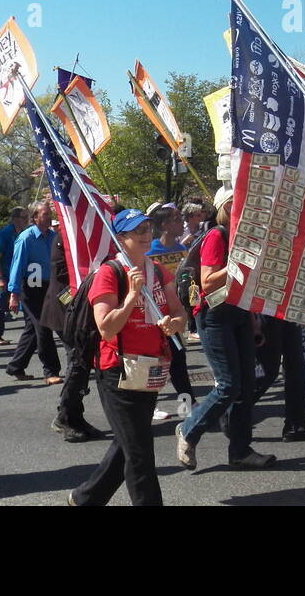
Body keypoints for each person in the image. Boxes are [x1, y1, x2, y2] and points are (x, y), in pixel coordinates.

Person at [69, 208, 187, 506]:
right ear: (121, 238)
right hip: (117, 370)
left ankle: (86, 498)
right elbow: (106, 328)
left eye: (147, 228)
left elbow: (178, 312)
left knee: (127, 444)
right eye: (139, 231)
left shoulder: (158, 271)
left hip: (150, 368)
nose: (147, 235)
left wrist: (175, 323)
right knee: (140, 452)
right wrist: (133, 296)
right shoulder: (110, 273)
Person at [175, 193, 275, 470]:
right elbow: (207, 283)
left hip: (239, 313)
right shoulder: (217, 236)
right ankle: (188, 430)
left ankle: (240, 451)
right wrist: (240, 261)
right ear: (228, 208)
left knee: (245, 386)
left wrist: (253, 320)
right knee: (228, 385)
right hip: (214, 315)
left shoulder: (240, 238)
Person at [39, 229, 107, 443]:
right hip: (65, 308)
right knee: (77, 364)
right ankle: (65, 417)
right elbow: (64, 274)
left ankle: (75, 416)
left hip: (79, 311)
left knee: (82, 365)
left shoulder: (82, 236)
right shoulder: (66, 236)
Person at [146, 206, 196, 423]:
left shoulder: (183, 250)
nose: (181, 223)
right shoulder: (151, 251)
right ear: (164, 225)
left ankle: (188, 404)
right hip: (155, 316)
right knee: (155, 364)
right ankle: (149, 407)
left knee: (178, 362)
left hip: (176, 314)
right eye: (176, 219)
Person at [6, 202, 62, 384]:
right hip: (31, 290)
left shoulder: (54, 237)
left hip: (50, 287)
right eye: (45, 214)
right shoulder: (26, 238)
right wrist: (14, 294)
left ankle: (16, 366)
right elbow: (17, 266)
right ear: (35, 217)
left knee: (33, 330)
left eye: (49, 214)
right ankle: (51, 370)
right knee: (44, 327)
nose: (48, 217)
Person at [0, 208, 27, 345]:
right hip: (5, 275)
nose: (26, 220)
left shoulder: (24, 233)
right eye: (24, 217)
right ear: (15, 219)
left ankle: (32, 333)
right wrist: (0, 277)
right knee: (0, 304)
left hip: (20, 275)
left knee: (27, 304)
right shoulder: (5, 233)